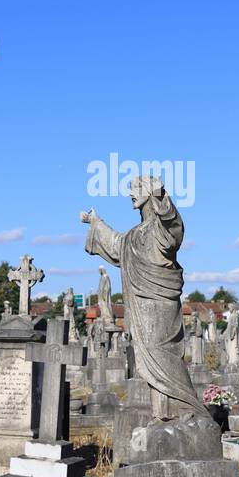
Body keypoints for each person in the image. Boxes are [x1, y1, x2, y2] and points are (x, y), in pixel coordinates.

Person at [81, 176, 207, 420]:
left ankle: (190, 410)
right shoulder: (134, 235)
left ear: (150, 192)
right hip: (141, 307)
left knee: (161, 353)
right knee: (147, 358)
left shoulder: (159, 230)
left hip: (160, 305)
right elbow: (117, 246)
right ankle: (163, 416)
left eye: (137, 189)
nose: (131, 193)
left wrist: (162, 198)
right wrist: (96, 222)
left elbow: (173, 229)